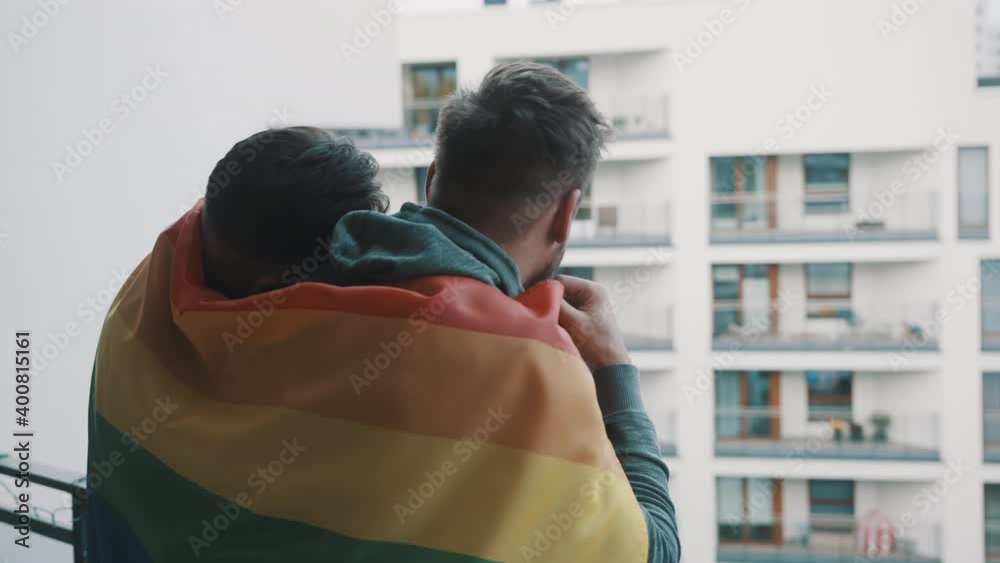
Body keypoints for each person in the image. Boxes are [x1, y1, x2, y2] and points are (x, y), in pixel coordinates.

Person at [327, 61, 680, 561]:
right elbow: (655, 550)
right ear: (566, 214)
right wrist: (613, 370)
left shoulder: (301, 284)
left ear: (432, 178)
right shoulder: (536, 369)